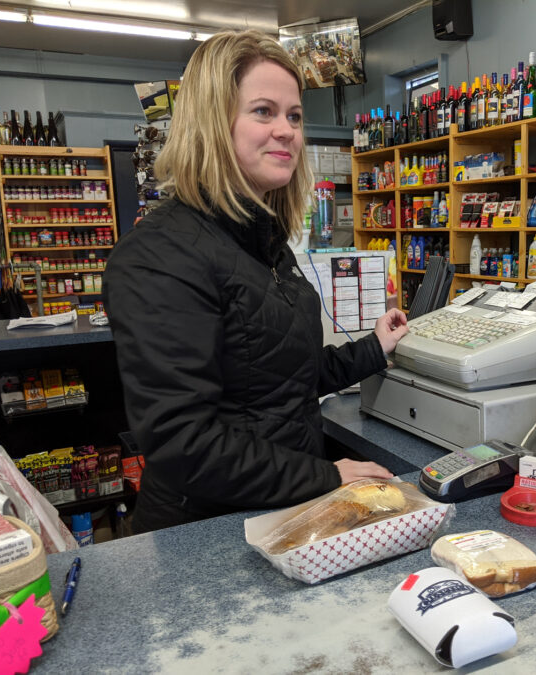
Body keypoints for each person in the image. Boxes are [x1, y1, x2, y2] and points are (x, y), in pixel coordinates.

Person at [103, 30, 408, 533]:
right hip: (205, 532)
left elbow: (285, 375)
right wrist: (326, 475)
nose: (286, 131)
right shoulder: (160, 254)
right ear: (211, 123)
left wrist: (374, 348)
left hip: (279, 511)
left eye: (294, 116)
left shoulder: (266, 244)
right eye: (264, 111)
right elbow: (183, 444)